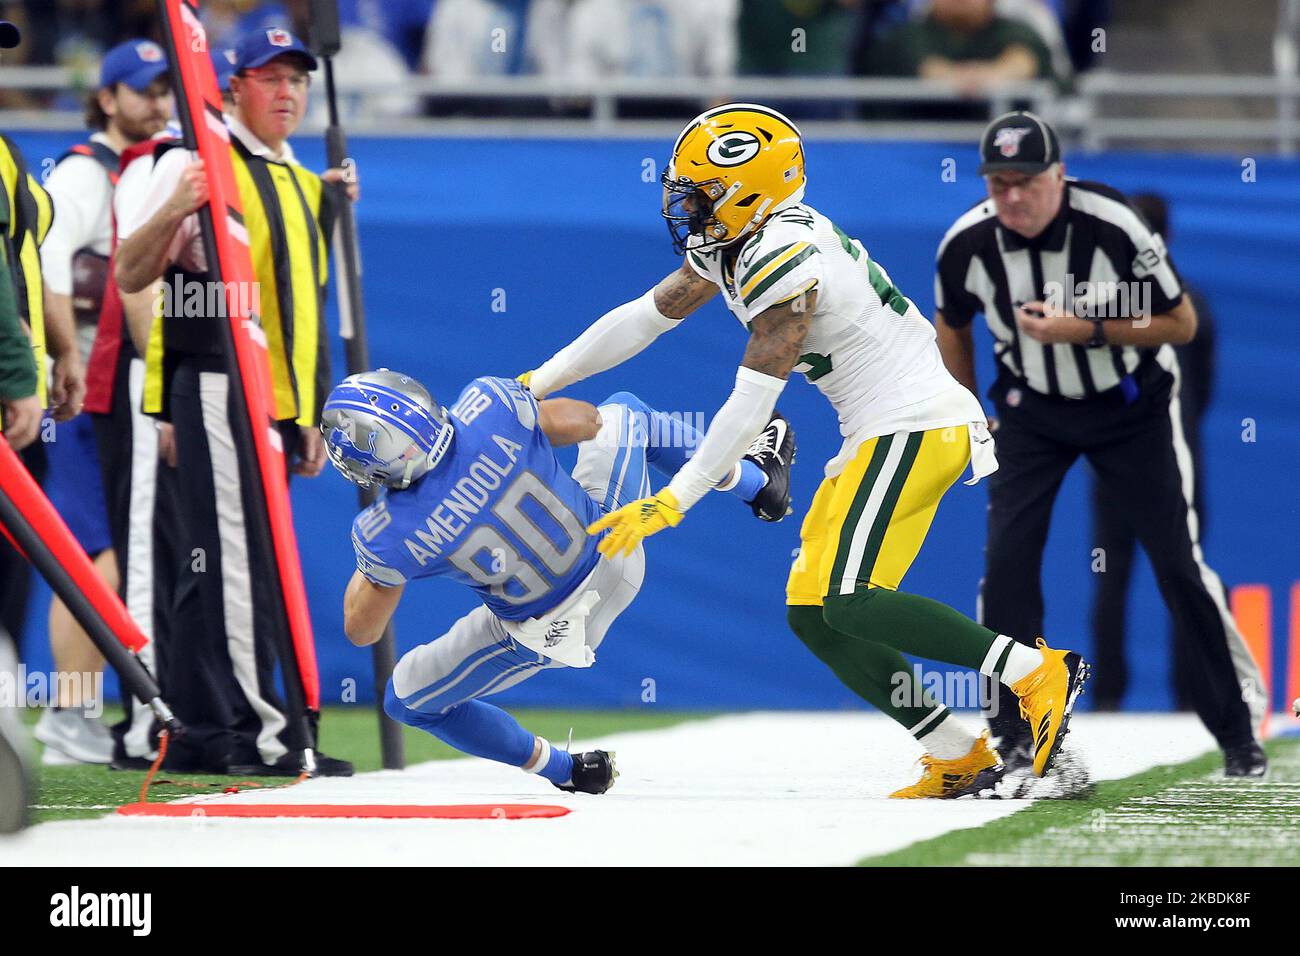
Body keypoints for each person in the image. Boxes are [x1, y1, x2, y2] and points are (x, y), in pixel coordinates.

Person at [521, 103, 1088, 798]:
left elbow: (753, 400)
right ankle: (956, 753)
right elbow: (644, 320)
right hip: (878, 429)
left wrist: (674, 499)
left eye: (702, 194)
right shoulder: (740, 238)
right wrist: (535, 384)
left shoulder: (782, 257)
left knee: (851, 599)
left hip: (915, 422)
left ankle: (1034, 672)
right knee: (814, 615)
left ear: (751, 192)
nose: (687, 207)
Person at [934, 111, 1266, 778]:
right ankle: (1012, 732)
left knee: (1177, 562)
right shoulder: (968, 243)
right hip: (1031, 410)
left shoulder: (1113, 224)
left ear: (1059, 176)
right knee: (1007, 564)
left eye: (1026, 181)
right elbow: (951, 323)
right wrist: (971, 409)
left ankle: (1236, 730)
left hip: (1128, 407)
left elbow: (1182, 321)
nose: (1013, 197)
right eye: (999, 183)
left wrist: (1084, 330)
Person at [326, 370, 786, 790]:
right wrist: (524, 409)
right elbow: (587, 422)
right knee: (624, 411)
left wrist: (379, 566)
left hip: (549, 633)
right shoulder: (489, 403)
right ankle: (755, 481)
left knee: (408, 700)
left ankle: (569, 771)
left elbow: (362, 631)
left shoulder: (385, 532)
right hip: (615, 550)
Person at [114, 29, 355, 776]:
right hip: (220, 387)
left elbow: (299, 308)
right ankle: (272, 732)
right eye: (270, 79)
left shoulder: (292, 176)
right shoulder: (199, 167)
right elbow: (131, 272)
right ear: (232, 87)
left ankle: (201, 728)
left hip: (271, 400)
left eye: (298, 81)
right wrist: (176, 207)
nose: (287, 93)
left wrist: (309, 412)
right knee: (243, 567)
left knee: (216, 566)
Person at [34, 38, 175, 766]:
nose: (157, 100)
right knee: (94, 561)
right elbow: (53, 266)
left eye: (164, 88)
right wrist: (63, 358)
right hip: (88, 401)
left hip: (124, 399)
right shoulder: (87, 175)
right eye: (143, 89)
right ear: (108, 97)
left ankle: (89, 711)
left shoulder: (148, 169)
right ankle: (68, 714)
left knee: (119, 559)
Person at [1089, 191, 1217, 711]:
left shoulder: (1102, 306)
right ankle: (1190, 700)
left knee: (1110, 573)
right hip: (1174, 459)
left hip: (1113, 456)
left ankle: (1106, 698)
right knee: (1182, 574)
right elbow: (1202, 389)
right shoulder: (1191, 304)